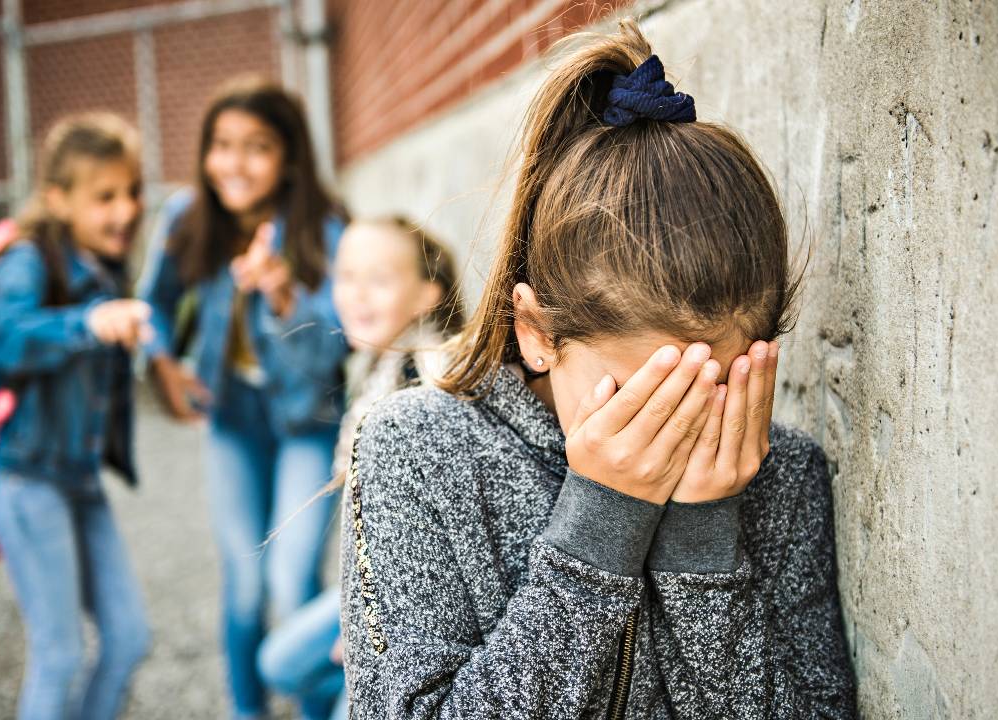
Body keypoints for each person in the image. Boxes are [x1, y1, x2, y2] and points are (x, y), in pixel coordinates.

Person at [340, 21, 858, 719]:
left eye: (711, 391)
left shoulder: (781, 474)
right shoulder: (416, 450)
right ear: (537, 333)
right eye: (641, 398)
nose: (672, 435)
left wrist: (704, 545)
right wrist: (599, 529)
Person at [137, 74, 347, 720]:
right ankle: (247, 709)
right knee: (246, 584)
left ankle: (321, 708)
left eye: (256, 146)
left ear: (288, 157)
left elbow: (334, 350)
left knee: (291, 579)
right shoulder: (186, 219)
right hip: (233, 420)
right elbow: (155, 305)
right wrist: (163, 364)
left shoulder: (325, 229)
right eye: (221, 145)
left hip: (308, 422)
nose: (234, 163)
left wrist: (283, 296)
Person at [258, 217, 464, 720]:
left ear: (426, 296)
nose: (357, 295)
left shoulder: (431, 373)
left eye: (379, 279)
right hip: (373, 584)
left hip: (419, 602)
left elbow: (435, 530)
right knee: (280, 664)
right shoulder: (375, 367)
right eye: (346, 276)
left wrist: (367, 628)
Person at [0, 113, 152, 720]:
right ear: (58, 199)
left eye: (131, 192)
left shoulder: (106, 267)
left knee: (130, 639)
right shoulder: (27, 260)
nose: (125, 209)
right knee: (58, 654)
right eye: (104, 196)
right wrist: (87, 323)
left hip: (79, 482)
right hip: (27, 482)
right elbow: (6, 339)